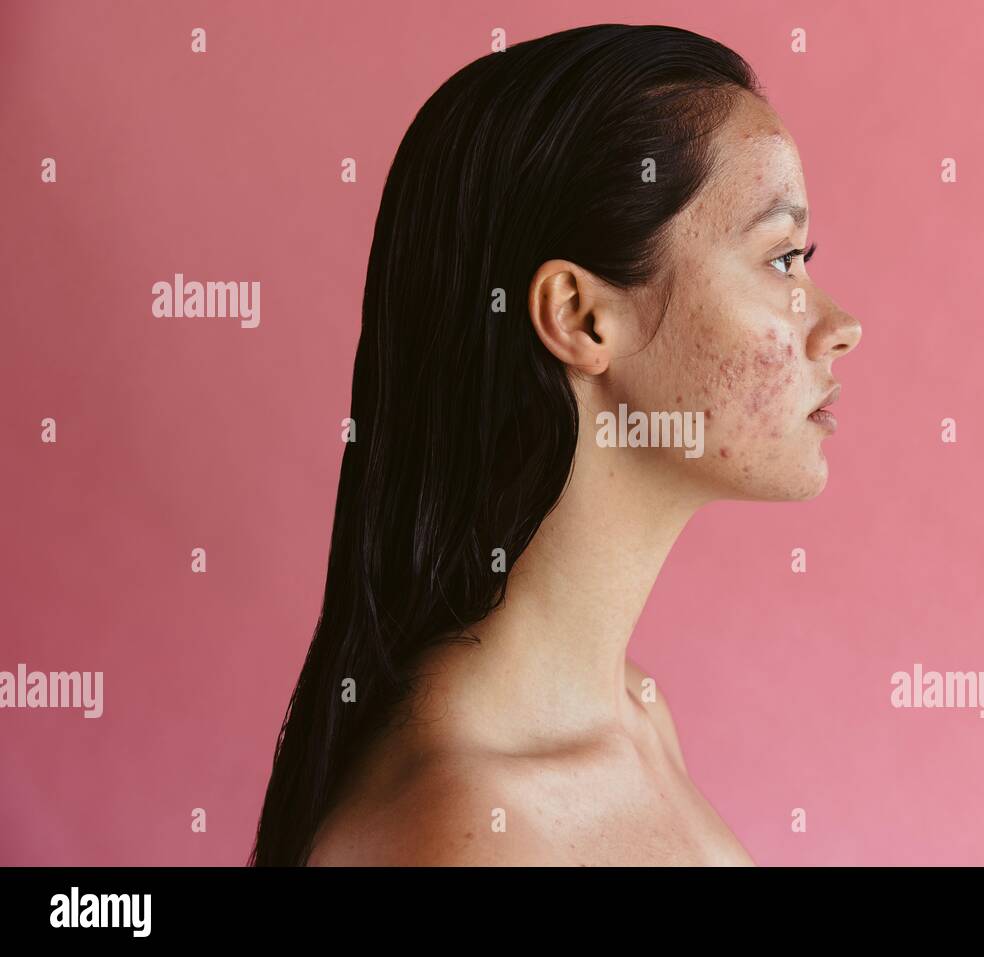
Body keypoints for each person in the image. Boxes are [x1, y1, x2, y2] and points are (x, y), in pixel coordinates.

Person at [250, 22, 862, 867]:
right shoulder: (459, 830)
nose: (839, 327)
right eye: (782, 258)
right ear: (579, 316)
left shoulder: (636, 716)